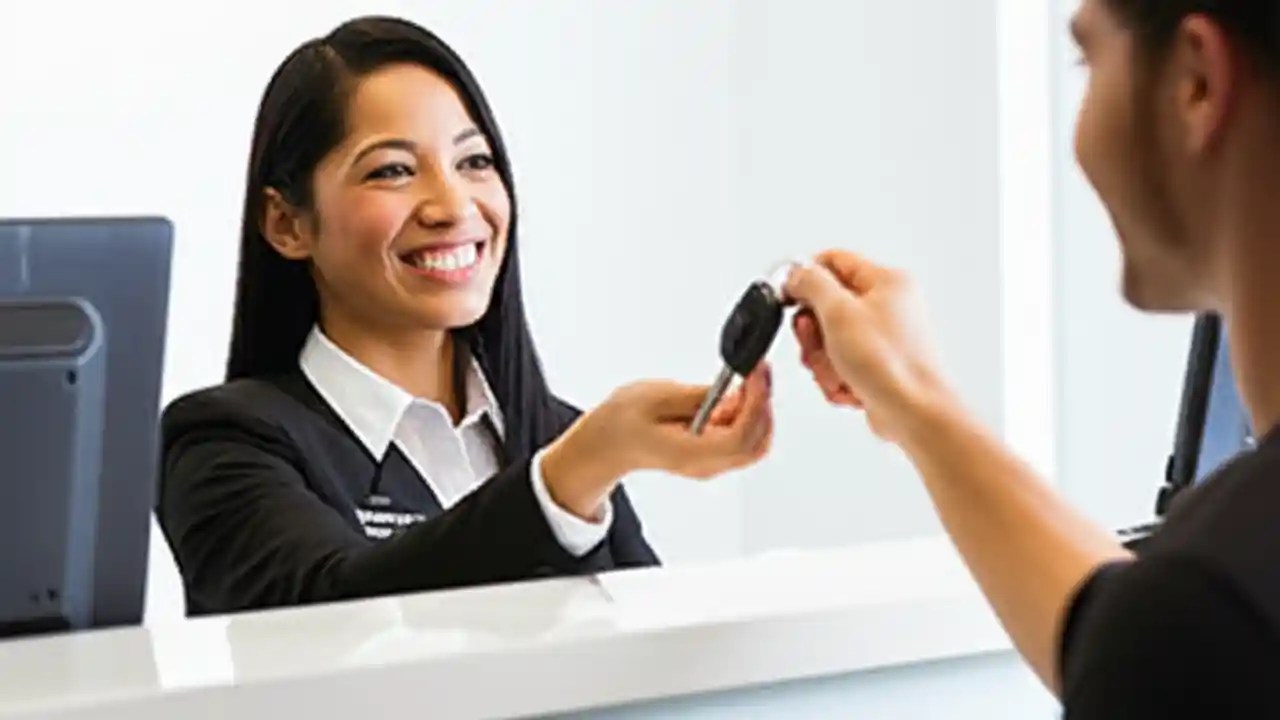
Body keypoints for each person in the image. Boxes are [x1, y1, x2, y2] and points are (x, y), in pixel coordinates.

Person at [157, 16, 773, 616]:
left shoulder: (555, 433)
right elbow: (340, 613)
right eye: (393, 170)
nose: (453, 205)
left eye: (474, 162)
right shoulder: (221, 446)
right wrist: (576, 471)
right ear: (287, 223)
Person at [782, 0, 1280, 716]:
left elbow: (1173, 646)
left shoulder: (1205, 622)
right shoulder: (1212, 614)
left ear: (1196, 81)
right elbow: (1126, 634)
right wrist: (913, 401)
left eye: (1088, 59)